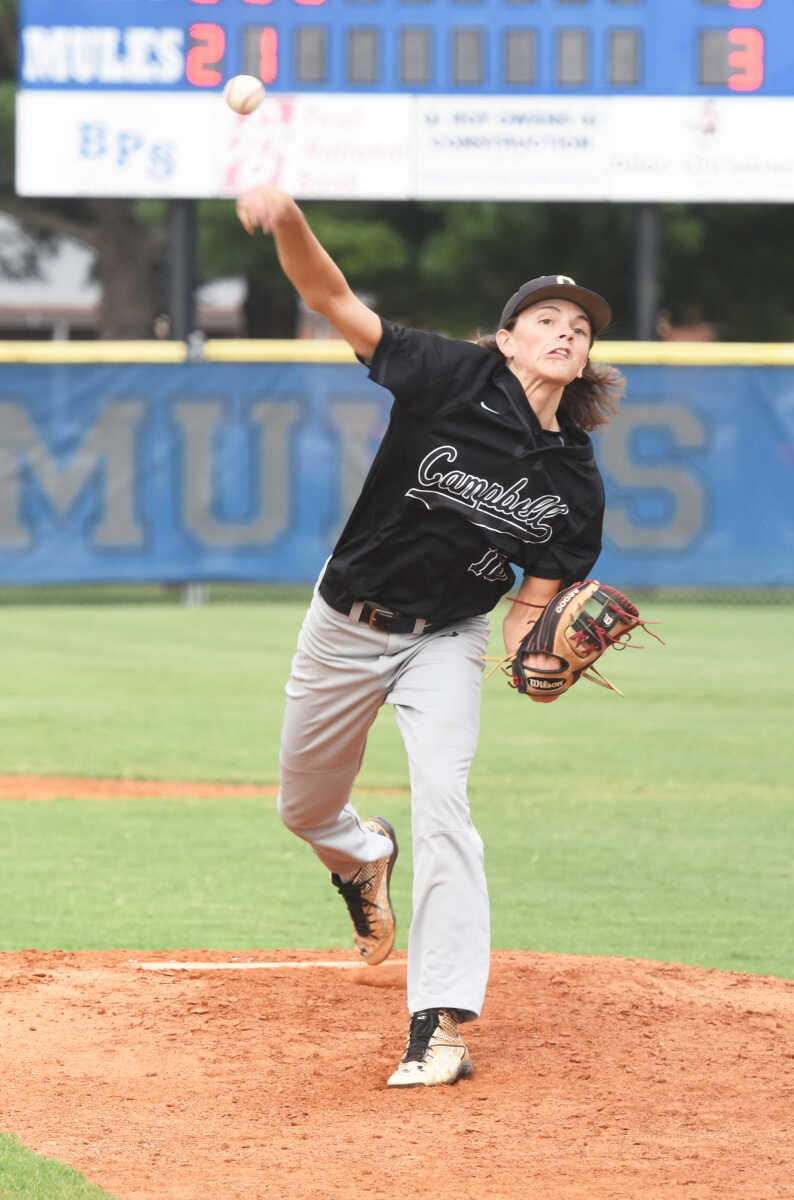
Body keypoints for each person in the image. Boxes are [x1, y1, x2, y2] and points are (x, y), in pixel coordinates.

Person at [236, 186, 625, 1089]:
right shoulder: (451, 376)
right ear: (508, 340)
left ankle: (438, 1024)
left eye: (579, 326)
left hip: (446, 639)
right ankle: (363, 857)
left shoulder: (574, 481)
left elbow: (531, 602)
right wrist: (288, 219)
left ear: (585, 356)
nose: (566, 332)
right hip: (345, 621)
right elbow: (331, 296)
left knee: (447, 809)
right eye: (546, 318)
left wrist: (535, 652)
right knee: (304, 808)